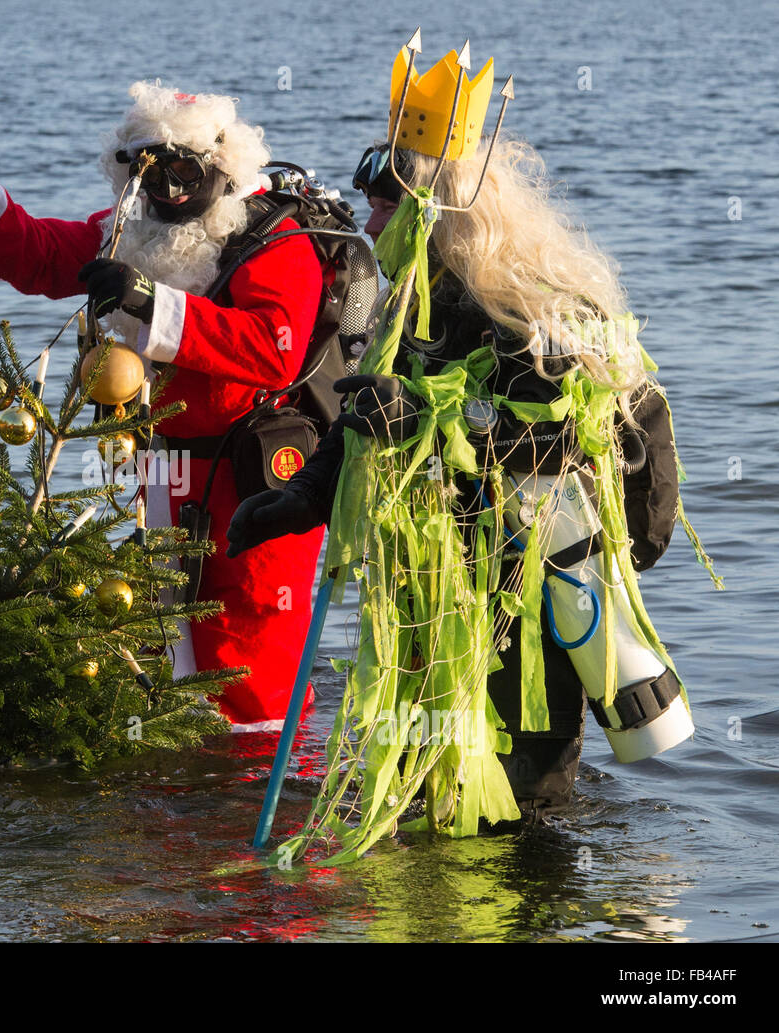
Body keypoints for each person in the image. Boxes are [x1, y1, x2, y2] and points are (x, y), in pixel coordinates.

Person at [226, 114, 677, 820]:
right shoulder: (408, 305)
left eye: (383, 207)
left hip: (528, 593)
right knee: (427, 786)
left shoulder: (542, 308)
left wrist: (426, 421)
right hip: (426, 589)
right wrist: (304, 495)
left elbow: (573, 440)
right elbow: (364, 414)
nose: (368, 225)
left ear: (436, 212)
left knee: (521, 806)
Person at [0, 83, 328, 730]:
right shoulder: (131, 235)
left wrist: (146, 302)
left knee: (254, 633)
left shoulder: (275, 241)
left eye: (183, 170)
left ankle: (258, 780)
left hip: (256, 466)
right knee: (166, 621)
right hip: (164, 464)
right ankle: (179, 768)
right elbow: (44, 255)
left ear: (223, 167)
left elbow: (269, 349)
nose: (167, 189)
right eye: (147, 169)